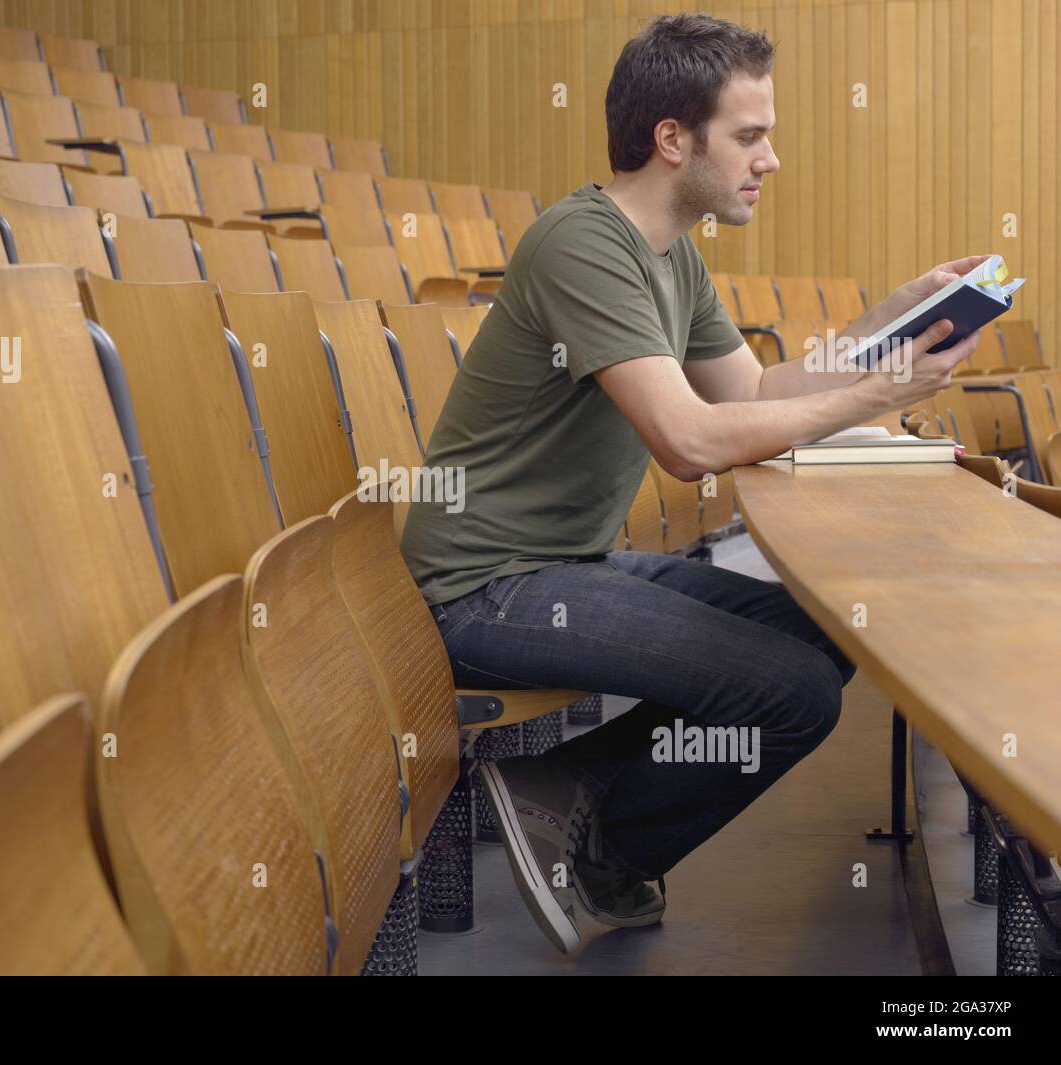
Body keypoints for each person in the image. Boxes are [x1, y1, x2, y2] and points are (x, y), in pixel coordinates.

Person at [399, 11, 986, 955]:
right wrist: (881, 391)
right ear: (673, 139)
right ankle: (603, 855)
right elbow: (690, 441)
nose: (771, 159)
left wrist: (891, 321)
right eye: (750, 136)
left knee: (823, 630)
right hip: (485, 590)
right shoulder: (583, 243)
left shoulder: (675, 254)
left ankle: (567, 782)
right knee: (796, 694)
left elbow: (755, 391)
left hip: (565, 565)